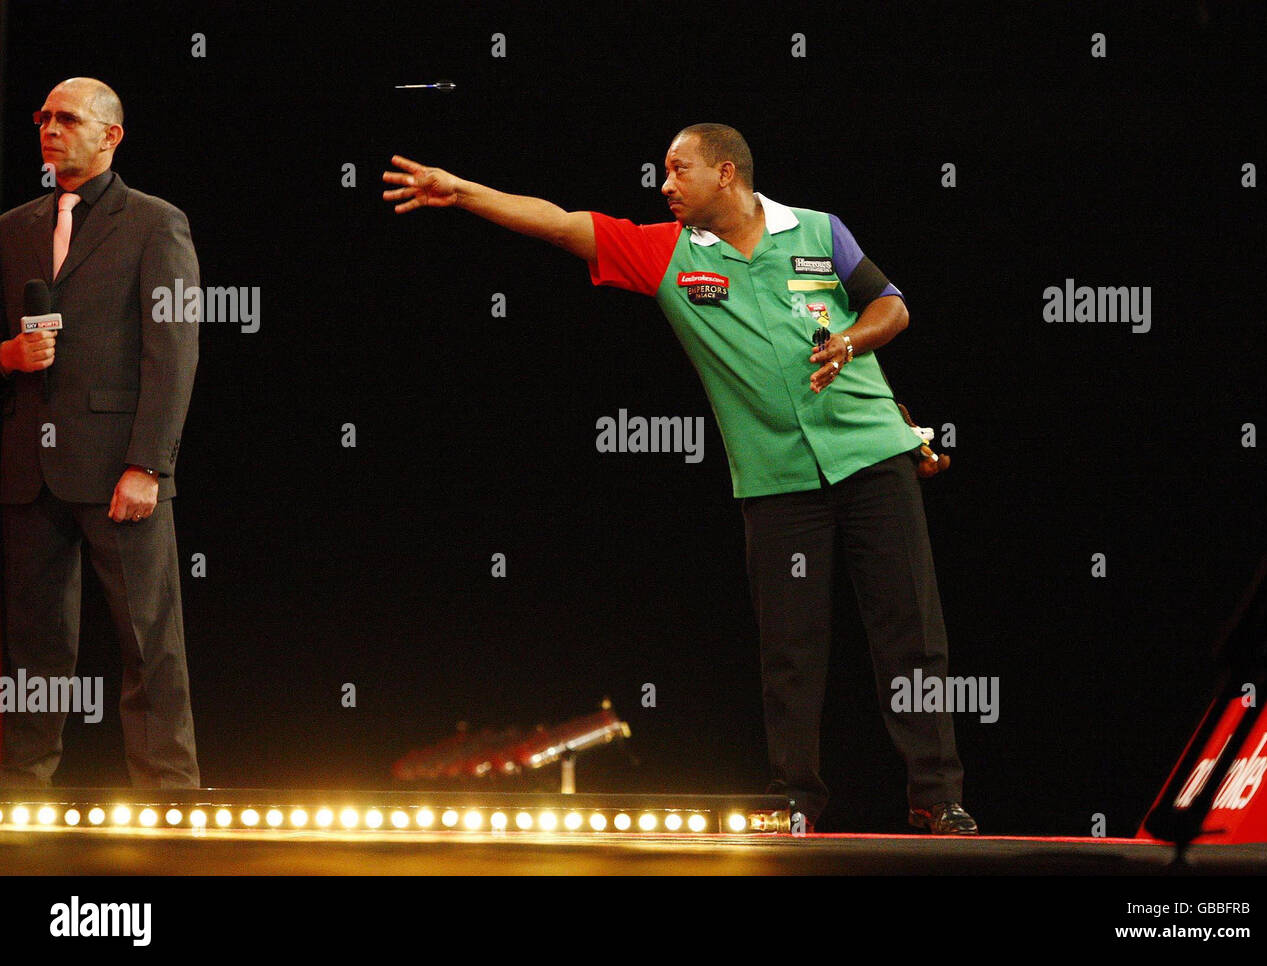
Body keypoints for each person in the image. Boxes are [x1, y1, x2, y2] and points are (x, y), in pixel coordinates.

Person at [382, 123, 977, 833]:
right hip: (776, 479)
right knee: (791, 646)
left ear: (726, 173)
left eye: (677, 169)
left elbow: (893, 306)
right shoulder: (666, 253)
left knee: (910, 633)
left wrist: (850, 340)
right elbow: (561, 224)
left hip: (875, 455)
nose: (663, 185)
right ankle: (794, 798)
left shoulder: (819, 230)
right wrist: (464, 193)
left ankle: (937, 796)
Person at [0, 77, 200, 788]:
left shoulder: (154, 222)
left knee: (149, 642)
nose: (51, 129)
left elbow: (171, 352)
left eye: (69, 119)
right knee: (31, 649)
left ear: (111, 135)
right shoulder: (14, 226)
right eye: (43, 117)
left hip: (120, 467)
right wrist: (7, 355)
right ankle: (19, 801)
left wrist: (149, 463)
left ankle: (170, 801)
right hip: (29, 469)